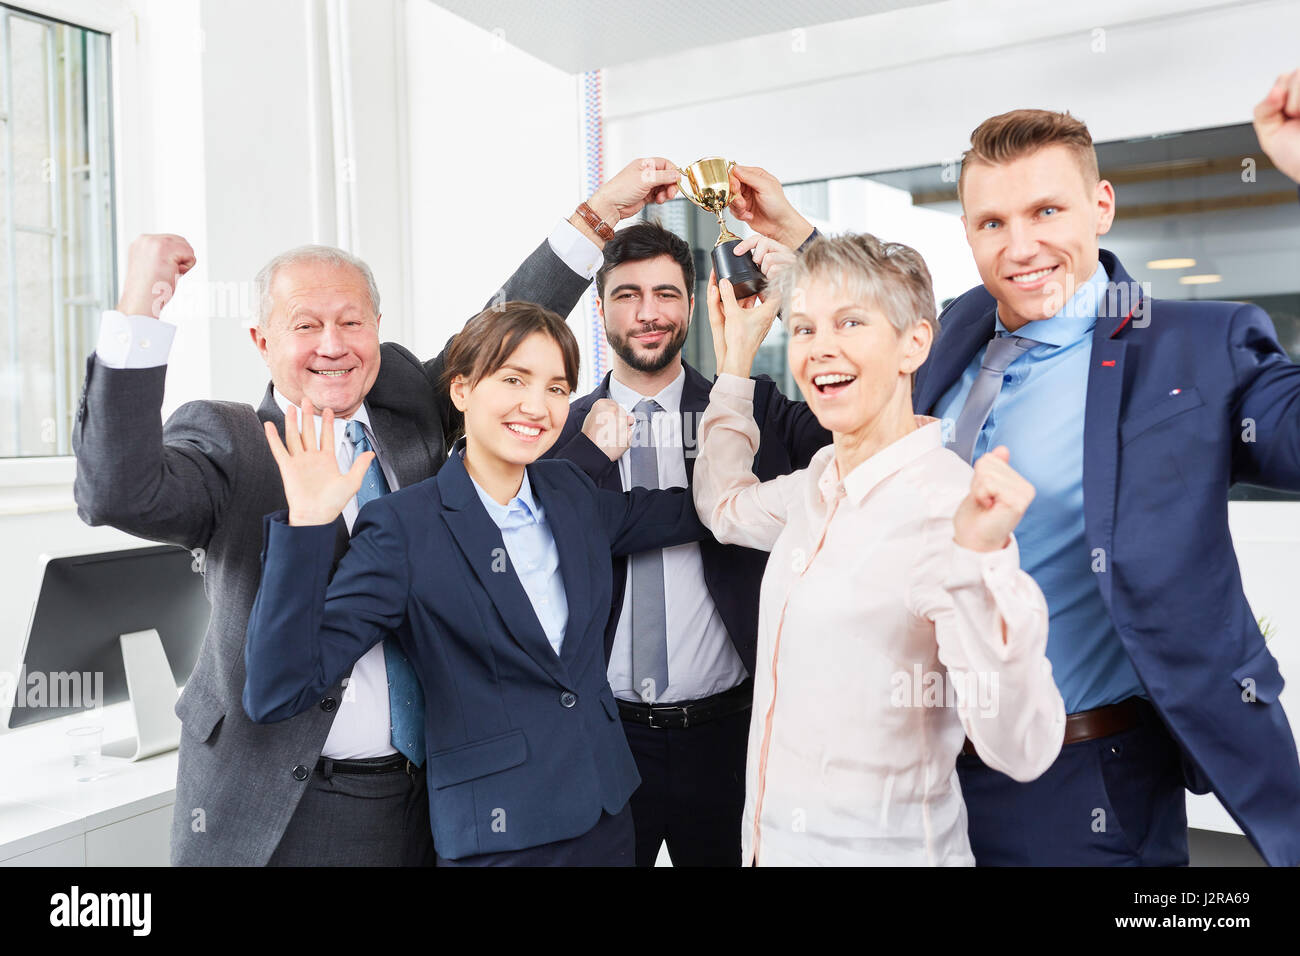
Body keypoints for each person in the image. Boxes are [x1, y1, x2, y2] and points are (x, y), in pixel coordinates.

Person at [726, 75, 1300, 866]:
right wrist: (800, 237)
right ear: (966, 231)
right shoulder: (958, 324)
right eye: (992, 221)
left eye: (1046, 212)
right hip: (923, 784)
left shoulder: (1197, 348)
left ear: (1101, 205)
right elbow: (880, 316)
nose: (1021, 246)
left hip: (1079, 777)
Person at [71, 158, 681, 866]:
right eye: (305, 325)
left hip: (426, 799)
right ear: (262, 341)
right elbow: (114, 492)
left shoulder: (406, 408)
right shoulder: (229, 441)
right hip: (285, 799)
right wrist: (138, 311)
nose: (333, 346)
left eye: (350, 322)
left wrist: (601, 212)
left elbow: (497, 333)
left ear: (377, 328)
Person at [242, 301, 708, 865]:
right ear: (461, 389)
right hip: (500, 837)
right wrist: (307, 528)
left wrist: (818, 479)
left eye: (558, 388)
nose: (536, 406)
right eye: (514, 379)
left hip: (606, 812)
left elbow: (696, 512)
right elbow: (278, 690)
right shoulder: (405, 526)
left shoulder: (570, 492)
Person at [692, 233, 1064, 865]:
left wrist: (977, 560)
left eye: (851, 322)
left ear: (914, 343)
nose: (820, 349)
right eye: (804, 328)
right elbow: (724, 507)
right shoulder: (817, 482)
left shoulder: (949, 509)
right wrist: (733, 362)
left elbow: (1023, 748)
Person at [543, 220, 830, 866]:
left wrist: (813, 277)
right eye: (627, 295)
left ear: (695, 305)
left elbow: (871, 431)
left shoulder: (756, 410)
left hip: (729, 735)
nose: (649, 313)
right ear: (600, 307)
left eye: (667, 294)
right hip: (605, 738)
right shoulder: (558, 432)